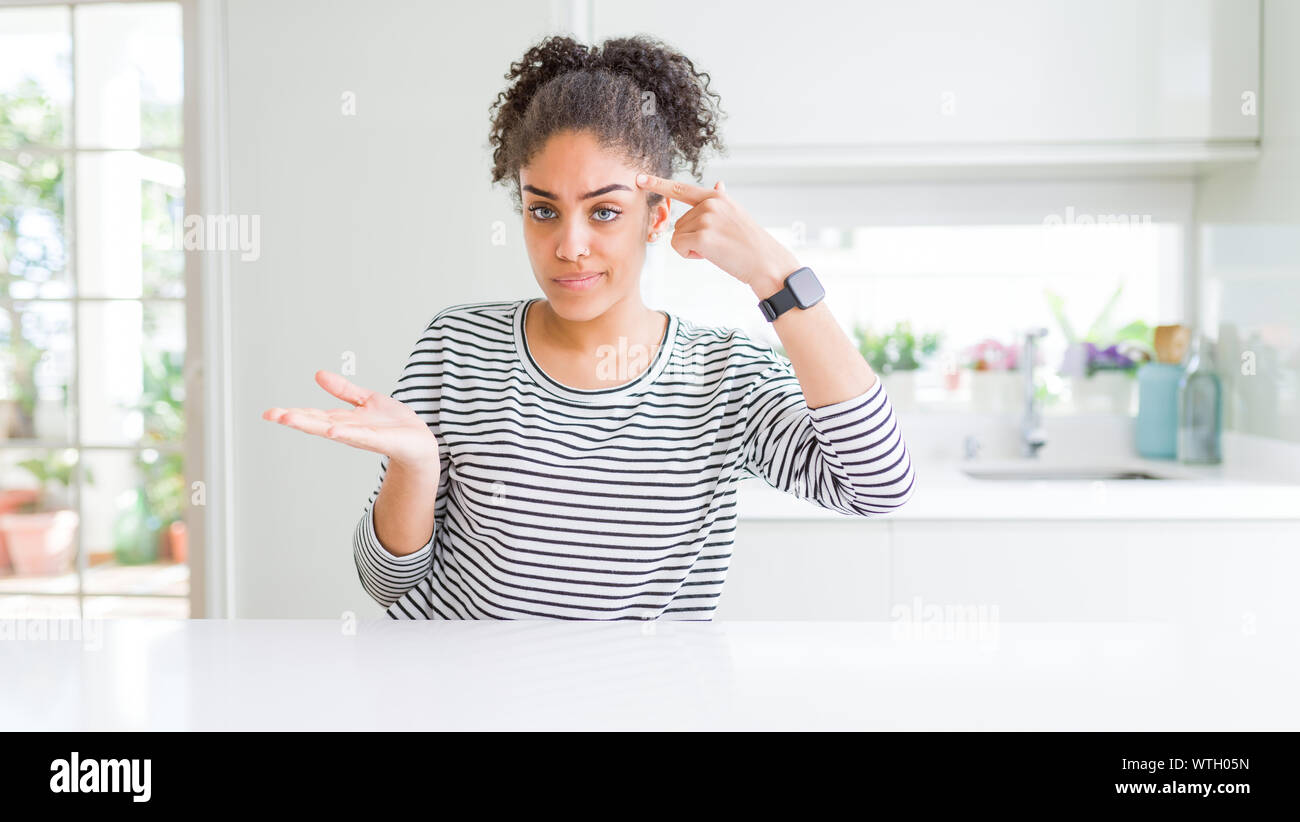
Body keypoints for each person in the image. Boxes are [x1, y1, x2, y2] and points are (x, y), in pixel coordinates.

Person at [263, 34, 915, 620]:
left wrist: (775, 274)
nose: (569, 245)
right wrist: (416, 467)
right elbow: (386, 585)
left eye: (604, 212)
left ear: (656, 217)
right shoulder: (456, 347)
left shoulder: (724, 378)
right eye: (542, 211)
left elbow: (880, 486)